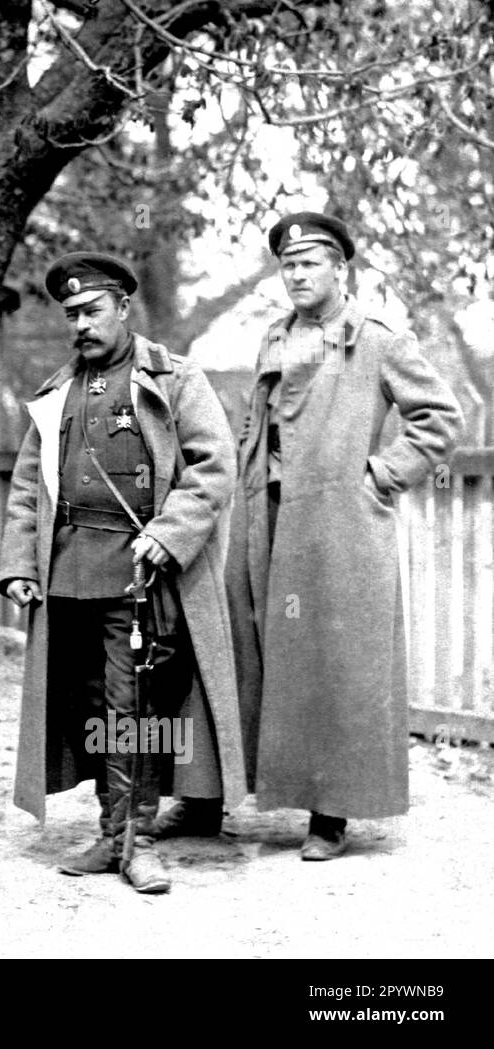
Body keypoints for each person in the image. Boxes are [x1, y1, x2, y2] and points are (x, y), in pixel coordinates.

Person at [0, 252, 245, 893]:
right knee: (86, 707)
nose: (81, 324)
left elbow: (213, 466)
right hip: (67, 574)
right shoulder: (57, 393)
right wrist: (20, 565)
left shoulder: (175, 378)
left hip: (140, 576)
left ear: (124, 308)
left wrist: (170, 533)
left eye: (92, 311)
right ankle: (112, 828)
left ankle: (131, 841)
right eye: (72, 314)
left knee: (129, 706)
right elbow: (29, 488)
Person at [227, 212, 463, 860]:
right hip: (271, 515)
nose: (297, 275)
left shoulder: (379, 339)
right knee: (271, 655)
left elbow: (441, 418)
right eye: (288, 265)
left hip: (342, 526)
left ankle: (330, 814)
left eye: (310, 263)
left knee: (338, 662)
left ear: (341, 269)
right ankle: (243, 790)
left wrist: (384, 474)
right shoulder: (275, 335)